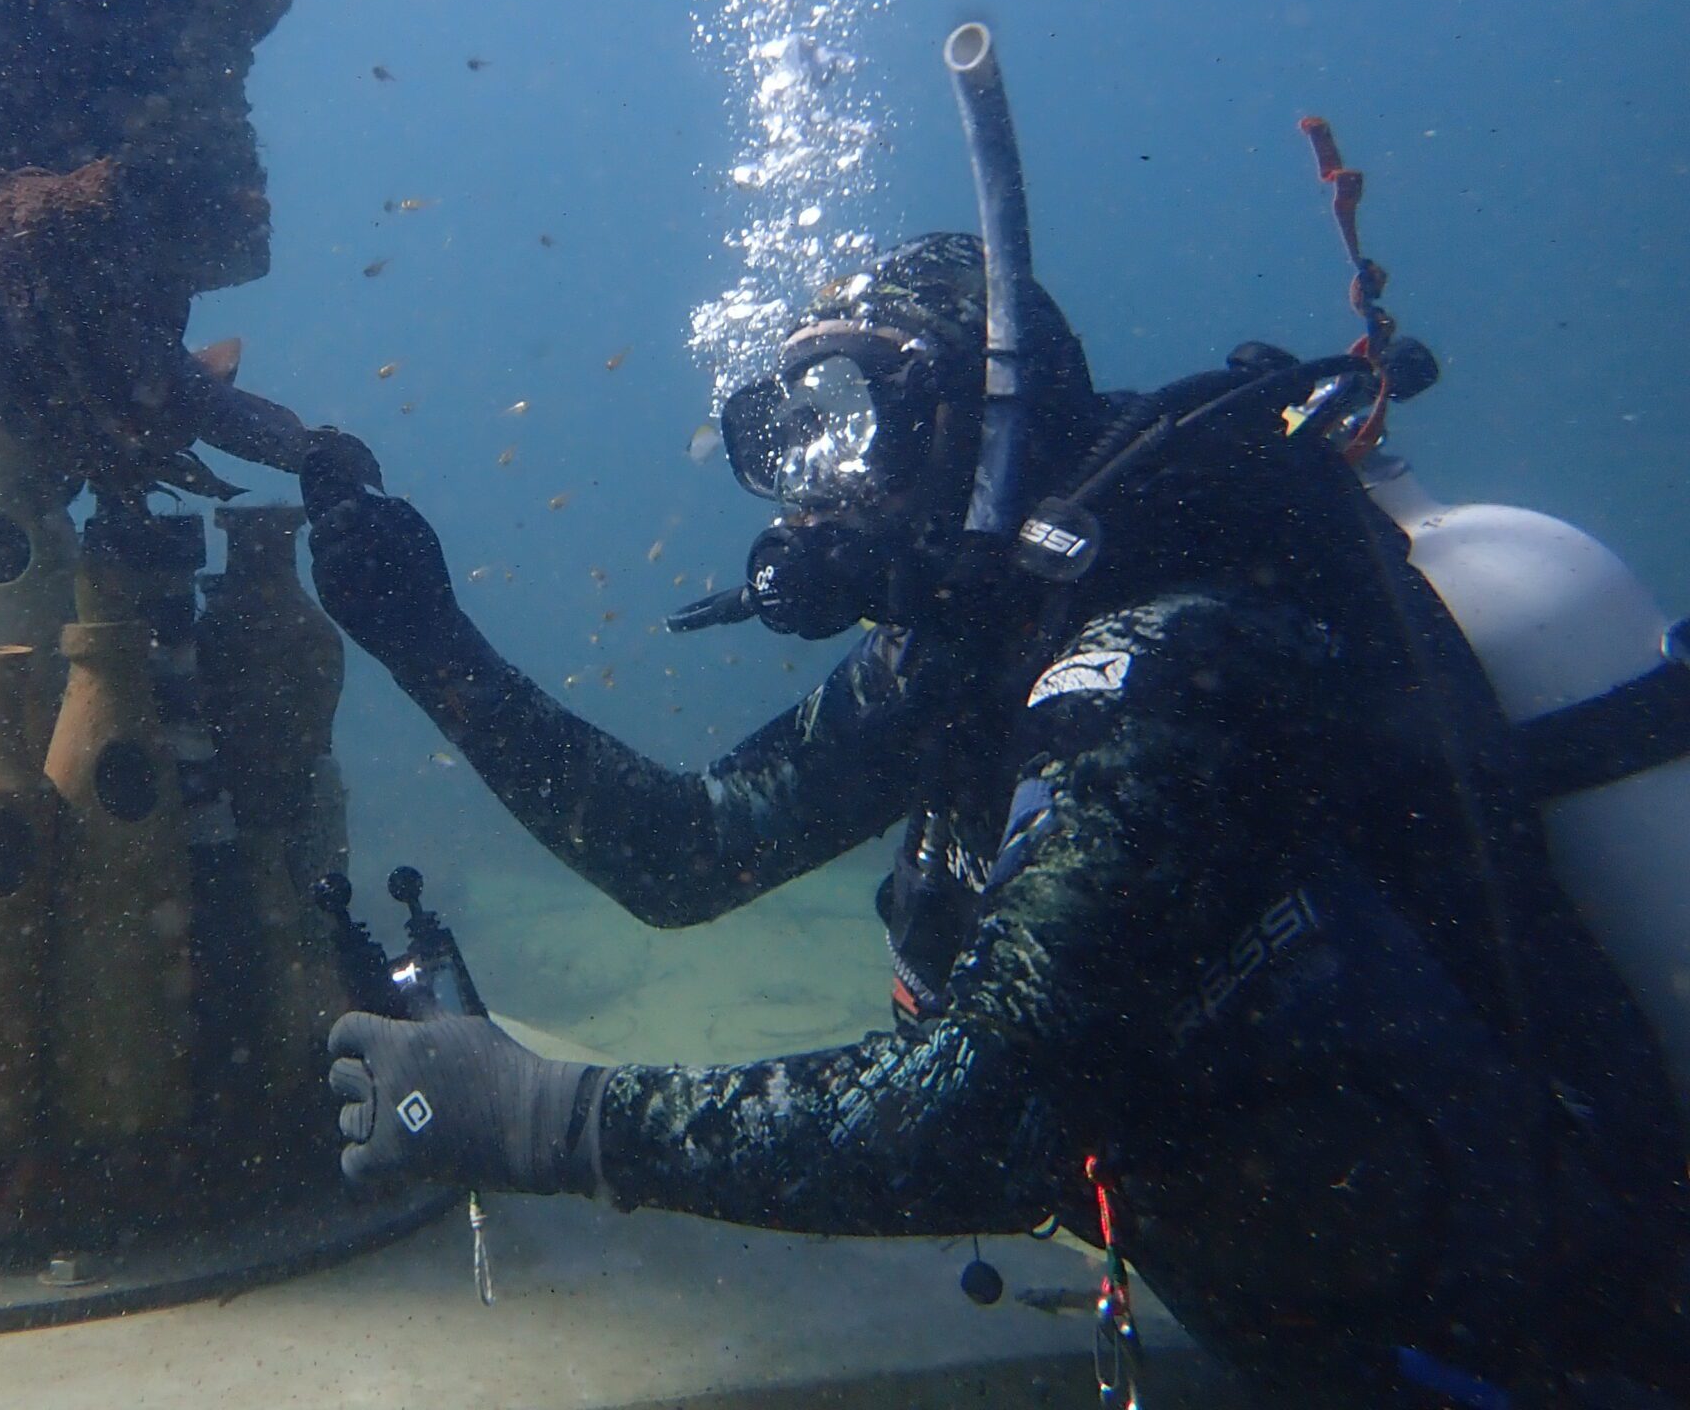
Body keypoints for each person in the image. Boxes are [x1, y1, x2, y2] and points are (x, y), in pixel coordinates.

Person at [297, 219, 1690, 1407]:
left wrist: (541, 1119)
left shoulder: (1170, 664)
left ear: (989, 409)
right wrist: (437, 654)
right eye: (794, 443)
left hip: (1508, 1348)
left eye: (861, 416)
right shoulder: (970, 643)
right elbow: (693, 851)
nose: (832, 494)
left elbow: (978, 1120)